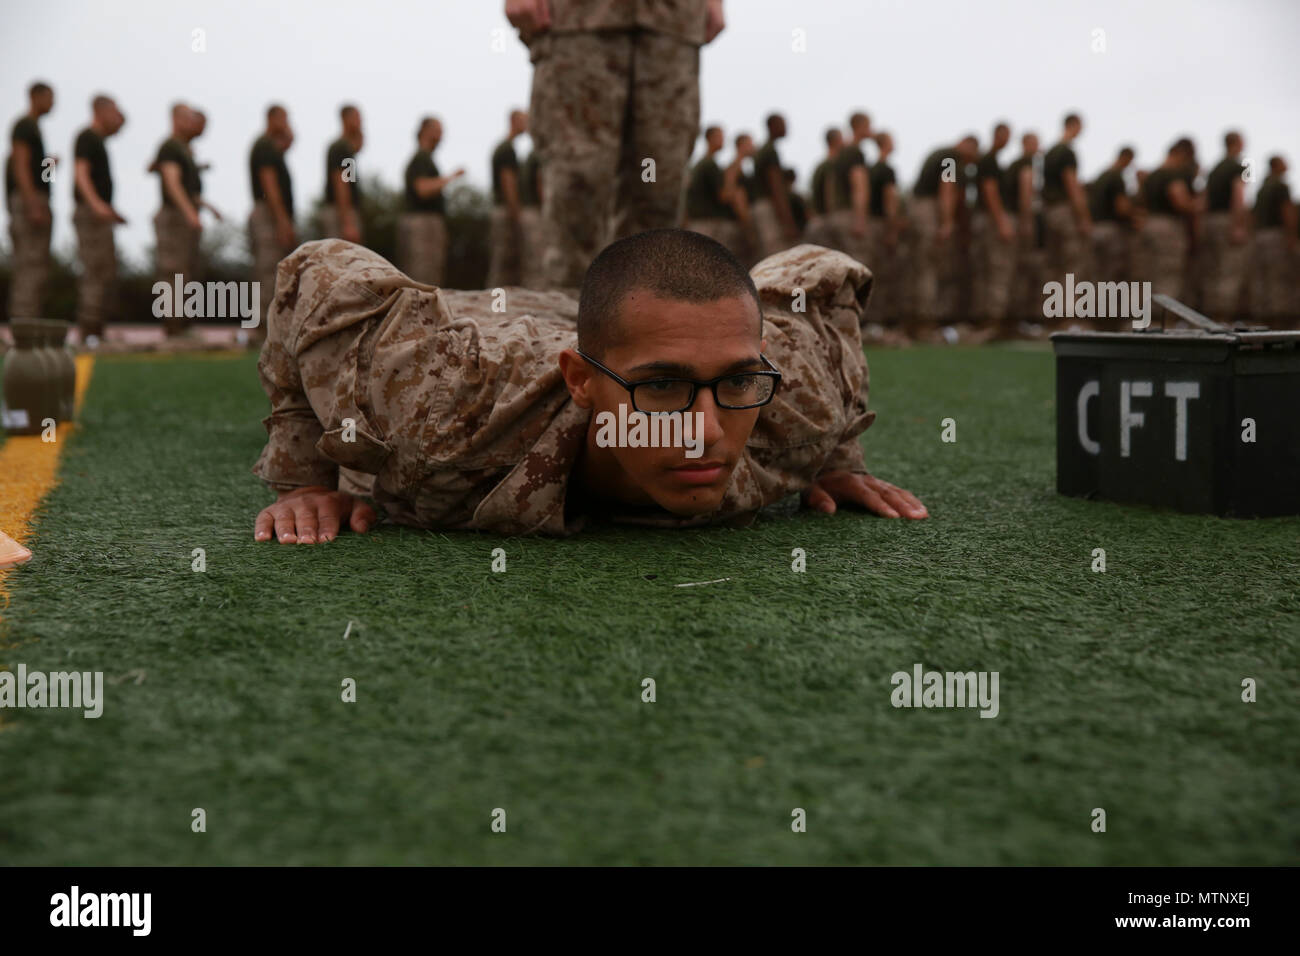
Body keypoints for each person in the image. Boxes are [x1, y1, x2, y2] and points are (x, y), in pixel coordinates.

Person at [250, 228, 928, 542]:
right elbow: (318, 272)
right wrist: (304, 474)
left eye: (735, 382)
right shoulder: (443, 400)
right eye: (663, 389)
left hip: (603, 325)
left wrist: (836, 454)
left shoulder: (795, 398)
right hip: (485, 315)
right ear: (579, 381)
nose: (706, 432)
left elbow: (821, 269)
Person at [508, 0, 726, 288]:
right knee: (578, 181)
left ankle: (642, 313)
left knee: (661, 185)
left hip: (671, 23)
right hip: (579, 21)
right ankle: (570, 314)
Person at [72, 93, 126, 343]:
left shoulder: (98, 141)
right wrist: (96, 206)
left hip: (98, 215)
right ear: (100, 110)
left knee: (103, 271)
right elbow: (80, 174)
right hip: (90, 215)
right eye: (114, 110)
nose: (118, 116)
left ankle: (96, 331)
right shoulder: (87, 137)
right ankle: (90, 333)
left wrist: (110, 211)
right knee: (95, 270)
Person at [910, 136, 978, 330]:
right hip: (928, 210)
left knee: (924, 266)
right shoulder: (951, 158)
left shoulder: (943, 154)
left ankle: (922, 318)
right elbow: (947, 188)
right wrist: (947, 222)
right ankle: (926, 320)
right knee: (930, 265)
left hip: (920, 208)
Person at [151, 103, 204, 336]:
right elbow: (172, 183)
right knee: (174, 272)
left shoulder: (181, 148)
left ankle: (182, 326)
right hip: (174, 216)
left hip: (180, 215)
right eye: (189, 117)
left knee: (184, 271)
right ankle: (173, 328)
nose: (193, 122)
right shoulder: (170, 147)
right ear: (176, 118)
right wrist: (189, 212)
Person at [6, 81, 55, 319]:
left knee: (36, 267)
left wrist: (50, 166)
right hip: (30, 202)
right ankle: (23, 331)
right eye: (49, 97)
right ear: (35, 96)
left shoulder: (33, 128)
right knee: (30, 266)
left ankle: (28, 326)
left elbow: (38, 174)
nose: (53, 103)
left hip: (35, 199)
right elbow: (20, 165)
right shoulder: (25, 126)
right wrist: (33, 205)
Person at [248, 105, 296, 335]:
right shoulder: (265, 145)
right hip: (268, 214)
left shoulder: (270, 147)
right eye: (284, 118)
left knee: (275, 271)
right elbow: (270, 185)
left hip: (271, 213)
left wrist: (288, 137)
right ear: (271, 118)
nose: (287, 123)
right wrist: (282, 220)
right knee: (267, 270)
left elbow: (285, 146)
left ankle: (270, 328)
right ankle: (261, 329)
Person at [1135, 138, 1199, 301]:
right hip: (1168, 228)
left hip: (1149, 224)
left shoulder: (1152, 176)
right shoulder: (1172, 174)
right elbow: (1180, 201)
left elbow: (1141, 201)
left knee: (1149, 273)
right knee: (1168, 275)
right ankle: (1163, 318)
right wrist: (1197, 205)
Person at [401, 116, 463, 286]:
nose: (441, 136)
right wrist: (451, 177)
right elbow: (422, 189)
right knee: (423, 277)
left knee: (429, 275)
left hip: (427, 222)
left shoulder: (425, 158)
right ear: (426, 131)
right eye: (438, 131)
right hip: (423, 223)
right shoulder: (421, 158)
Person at [970, 122, 1015, 327]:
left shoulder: (986, 160)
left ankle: (986, 318)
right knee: (996, 268)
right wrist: (1001, 221)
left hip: (983, 218)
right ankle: (992, 319)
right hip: (989, 219)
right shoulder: (988, 161)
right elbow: (990, 191)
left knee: (986, 269)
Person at [1202, 131, 1249, 319]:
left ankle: (1211, 317)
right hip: (1227, 220)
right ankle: (1223, 320)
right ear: (1238, 143)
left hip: (1211, 221)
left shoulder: (1215, 168)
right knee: (1229, 271)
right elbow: (1239, 196)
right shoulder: (1238, 166)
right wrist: (1238, 225)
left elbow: (1204, 198)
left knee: (1213, 271)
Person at [1042, 113, 1092, 285]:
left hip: (1050, 212)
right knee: (1072, 268)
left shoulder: (1050, 152)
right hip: (1065, 213)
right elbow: (1072, 186)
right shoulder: (1066, 152)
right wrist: (1083, 218)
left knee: (1054, 266)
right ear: (1074, 125)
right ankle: (1067, 310)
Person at [1251, 156, 1297, 323]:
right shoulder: (1280, 186)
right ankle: (1280, 316)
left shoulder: (1263, 187)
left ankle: (1264, 314)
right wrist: (1291, 237)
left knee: (1263, 276)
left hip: (1260, 235)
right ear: (1277, 166)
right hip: (1276, 236)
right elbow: (1287, 212)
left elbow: (1254, 214)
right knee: (1280, 275)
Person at [1003, 132, 1041, 327]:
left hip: (1012, 217)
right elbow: (1025, 191)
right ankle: (1015, 319)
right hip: (1017, 219)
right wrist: (1027, 221)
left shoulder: (1015, 163)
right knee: (1019, 269)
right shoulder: (1025, 163)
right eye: (1035, 143)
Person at [487, 110, 528, 287]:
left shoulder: (505, 147)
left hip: (503, 209)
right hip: (505, 210)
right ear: (513, 121)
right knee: (503, 264)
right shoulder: (506, 149)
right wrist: (515, 212)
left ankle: (500, 307)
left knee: (506, 263)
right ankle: (497, 308)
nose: (527, 125)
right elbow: (508, 183)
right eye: (524, 120)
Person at [684, 125, 742, 253]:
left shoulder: (703, 163)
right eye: (720, 137)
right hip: (708, 224)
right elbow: (724, 196)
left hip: (701, 223)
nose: (723, 140)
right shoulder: (709, 164)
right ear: (710, 139)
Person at [750, 113, 800, 257]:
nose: (786, 127)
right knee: (777, 254)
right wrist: (787, 221)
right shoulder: (769, 151)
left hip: (763, 206)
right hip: (768, 207)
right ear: (772, 126)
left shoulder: (762, 150)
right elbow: (776, 188)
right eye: (783, 124)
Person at [828, 112, 872, 268]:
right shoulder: (854, 152)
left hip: (838, 214)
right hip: (850, 215)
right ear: (859, 127)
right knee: (858, 267)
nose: (871, 130)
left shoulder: (841, 152)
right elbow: (859, 186)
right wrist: (860, 220)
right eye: (868, 125)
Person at [1087, 146, 1135, 287]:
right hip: (1110, 230)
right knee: (1111, 275)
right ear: (1126, 158)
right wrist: (1135, 217)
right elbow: (1122, 208)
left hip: (1095, 228)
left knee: (1096, 273)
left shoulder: (1102, 175)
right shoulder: (1116, 177)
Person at [322, 105, 364, 243]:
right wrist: (348, 223)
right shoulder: (341, 148)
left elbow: (348, 178)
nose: (360, 122)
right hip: (341, 212)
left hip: (342, 211)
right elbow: (342, 183)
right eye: (357, 117)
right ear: (346, 119)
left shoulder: (346, 149)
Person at [804, 127, 842, 247]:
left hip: (819, 220)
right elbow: (829, 193)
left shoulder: (820, 165)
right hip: (827, 221)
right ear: (836, 141)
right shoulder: (831, 165)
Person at [518, 149, 545, 287]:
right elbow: (540, 181)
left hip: (528, 210)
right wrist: (546, 208)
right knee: (538, 260)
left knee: (531, 259)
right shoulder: (539, 154)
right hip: (535, 211)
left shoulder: (530, 154)